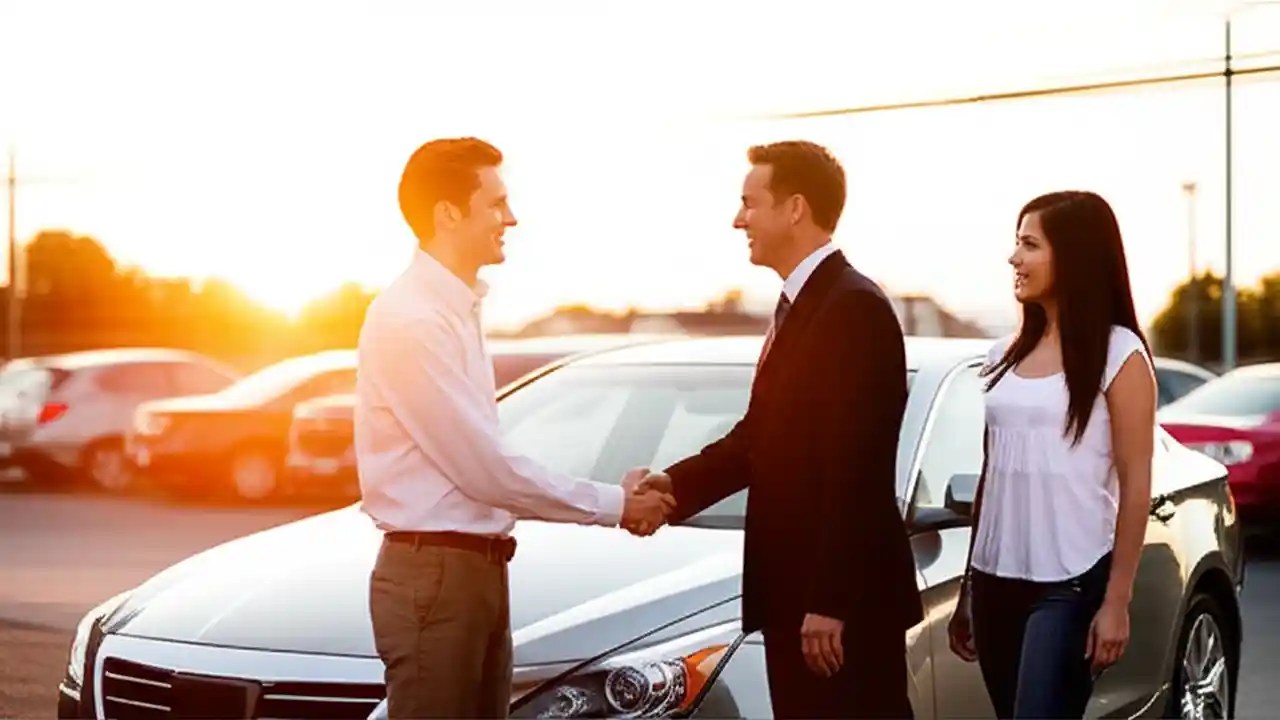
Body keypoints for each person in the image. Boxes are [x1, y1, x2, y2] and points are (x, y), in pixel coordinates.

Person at [355, 137, 674, 719]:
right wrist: (615, 503)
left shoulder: (456, 309)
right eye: (496, 203)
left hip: (473, 571)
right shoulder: (412, 318)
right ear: (448, 214)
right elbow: (485, 470)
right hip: (436, 577)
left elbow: (489, 461)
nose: (511, 217)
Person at [627, 140, 922, 719]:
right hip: (798, 598)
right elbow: (758, 437)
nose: (739, 220)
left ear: (794, 208)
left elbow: (857, 465)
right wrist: (673, 485)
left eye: (750, 203)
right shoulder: (804, 302)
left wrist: (830, 602)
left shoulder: (852, 308)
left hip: (838, 610)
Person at [946, 190, 1157, 719]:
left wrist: (1117, 602)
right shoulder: (1000, 356)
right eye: (1017, 244)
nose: (1014, 258)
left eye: (1029, 245)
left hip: (1070, 584)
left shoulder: (1120, 354)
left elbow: (1136, 486)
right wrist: (969, 590)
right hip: (995, 582)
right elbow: (992, 475)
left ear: (1075, 255)